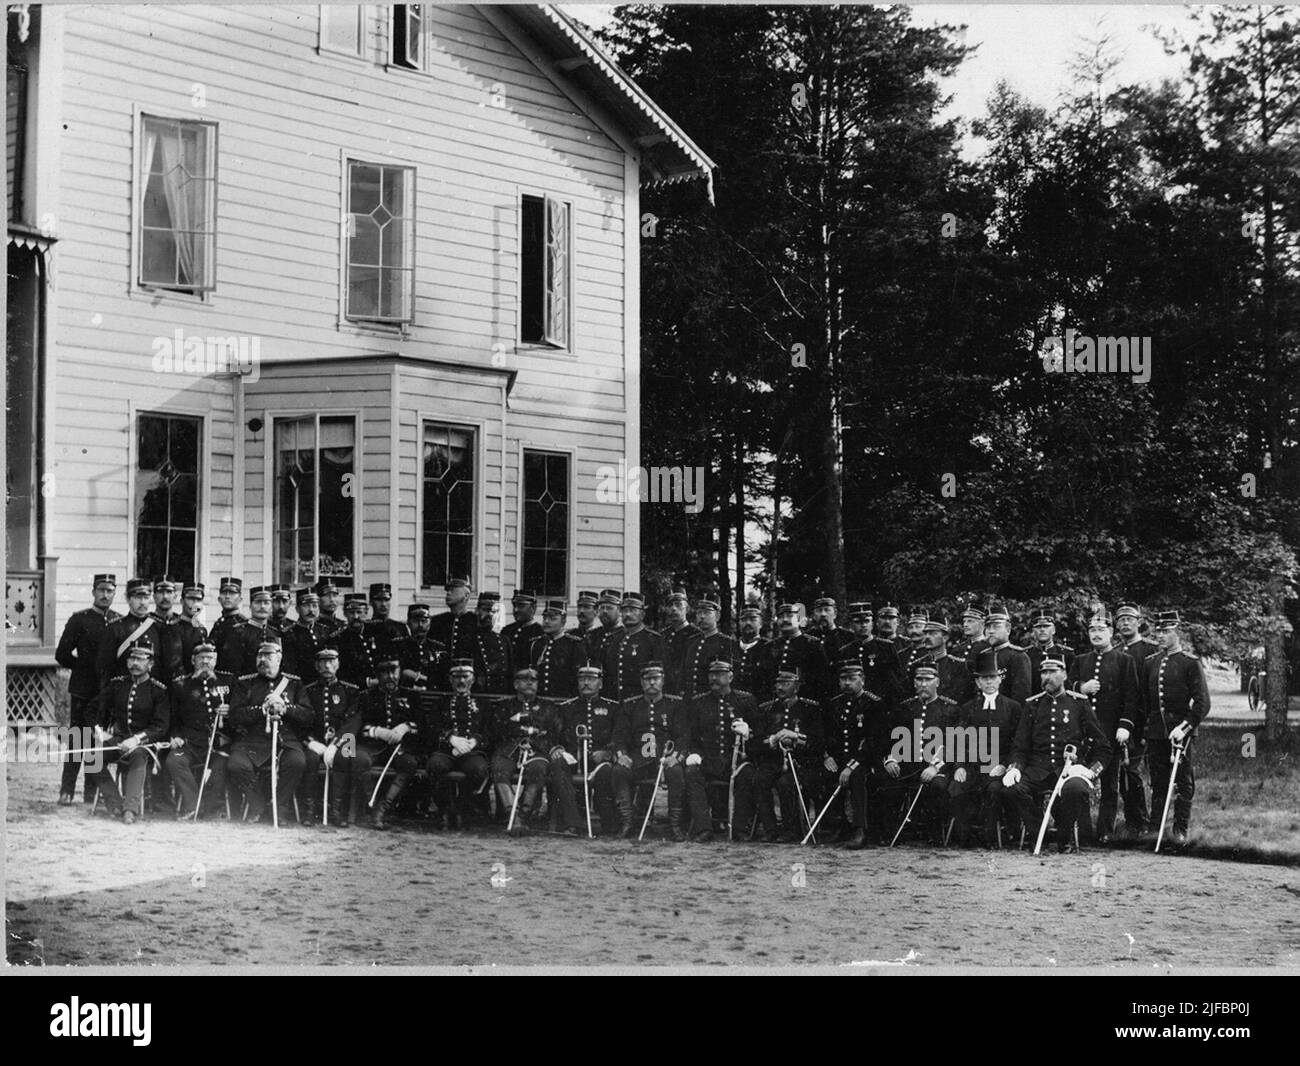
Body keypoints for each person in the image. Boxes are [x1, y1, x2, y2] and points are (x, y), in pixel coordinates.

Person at [1000, 657, 1110, 853]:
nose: (1047, 677)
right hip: (1037, 770)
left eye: (1052, 672)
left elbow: (1103, 747)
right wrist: (1015, 767)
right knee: (1011, 789)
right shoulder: (1032, 705)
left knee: (1076, 789)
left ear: (1065, 675)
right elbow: (1020, 746)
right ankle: (1037, 832)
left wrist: (1090, 771)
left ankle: (1063, 837)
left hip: (1069, 770)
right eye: (1044, 673)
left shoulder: (1079, 704)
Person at [1068, 610, 1142, 844]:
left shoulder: (1124, 660)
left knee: (1110, 785)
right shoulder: (1080, 661)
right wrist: (1082, 687)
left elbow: (1132, 698)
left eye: (1101, 630)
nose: (1096, 634)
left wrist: (1125, 726)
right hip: (1083, 734)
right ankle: (1083, 829)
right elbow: (1067, 690)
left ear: (1111, 632)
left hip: (1111, 734)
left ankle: (1105, 831)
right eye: (1092, 630)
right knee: (1079, 780)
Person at [1138, 609, 1210, 847]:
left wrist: (1185, 726)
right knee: (1158, 781)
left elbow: (1202, 703)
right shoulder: (1151, 663)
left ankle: (1180, 830)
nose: (1160, 635)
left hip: (1181, 734)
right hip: (1157, 733)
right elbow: (1147, 702)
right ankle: (1155, 828)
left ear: (1177, 633)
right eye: (1158, 631)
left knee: (1183, 782)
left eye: (1166, 631)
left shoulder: (1190, 663)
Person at [227, 641, 313, 826]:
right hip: (252, 740)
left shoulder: (294, 683)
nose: (263, 660)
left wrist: (285, 707)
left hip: (285, 739)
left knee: (297, 762)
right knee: (236, 764)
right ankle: (258, 805)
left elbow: (308, 715)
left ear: (279, 659)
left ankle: (279, 806)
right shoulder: (245, 683)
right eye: (260, 656)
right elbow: (235, 716)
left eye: (268, 656)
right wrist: (262, 709)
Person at [55, 573, 120, 805]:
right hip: (83, 689)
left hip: (106, 692)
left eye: (110, 590)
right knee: (77, 739)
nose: (105, 594)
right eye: (101, 590)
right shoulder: (79, 620)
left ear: (115, 593)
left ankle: (92, 792)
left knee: (97, 740)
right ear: (93, 591)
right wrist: (83, 668)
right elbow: (61, 654)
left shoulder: (117, 621)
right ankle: (67, 790)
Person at [611, 662, 693, 841]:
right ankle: (627, 822)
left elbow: (683, 736)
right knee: (619, 770)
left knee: (676, 772)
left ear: (663, 681)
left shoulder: (675, 705)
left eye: (656, 679)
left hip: (664, 759)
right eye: (647, 680)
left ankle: (675, 825)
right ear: (641, 683)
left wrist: (676, 757)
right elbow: (619, 736)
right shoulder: (630, 706)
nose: (652, 683)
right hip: (638, 759)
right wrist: (621, 755)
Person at [90, 645, 170, 824]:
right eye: (132, 659)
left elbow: (160, 726)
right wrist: (100, 731)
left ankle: (130, 810)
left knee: (138, 757)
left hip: (143, 743)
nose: (135, 664)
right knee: (91, 757)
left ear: (150, 664)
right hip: (118, 740)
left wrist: (136, 739)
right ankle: (115, 803)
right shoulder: (117, 685)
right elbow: (94, 709)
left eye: (140, 660)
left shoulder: (158, 691)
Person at [886, 661, 964, 843]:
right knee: (886, 781)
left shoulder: (951, 709)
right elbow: (894, 739)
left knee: (937, 786)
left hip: (939, 766)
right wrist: (891, 760)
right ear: (913, 683)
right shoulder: (905, 707)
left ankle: (934, 834)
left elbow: (952, 743)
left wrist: (935, 767)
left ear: (937, 682)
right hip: (909, 765)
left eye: (928, 679)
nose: (922, 684)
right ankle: (890, 833)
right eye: (919, 679)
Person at [683, 660, 759, 842]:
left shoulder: (745, 700)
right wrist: (695, 754)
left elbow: (759, 733)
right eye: (711, 674)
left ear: (731, 677)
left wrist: (748, 732)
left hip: (737, 761)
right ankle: (703, 829)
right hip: (709, 760)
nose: (714, 678)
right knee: (692, 773)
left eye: (719, 674)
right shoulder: (699, 703)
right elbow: (692, 736)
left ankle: (740, 829)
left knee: (747, 774)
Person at [953, 648, 1023, 847]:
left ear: (1000, 679)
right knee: (957, 787)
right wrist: (959, 765)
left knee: (993, 789)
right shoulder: (968, 708)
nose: (989, 682)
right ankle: (963, 838)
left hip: (997, 768)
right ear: (977, 682)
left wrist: (1005, 765)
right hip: (973, 767)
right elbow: (958, 740)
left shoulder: (1012, 707)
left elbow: (1017, 744)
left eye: (992, 677)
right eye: (984, 678)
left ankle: (990, 838)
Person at [825, 661, 893, 848]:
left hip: (866, 759)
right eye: (843, 679)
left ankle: (859, 829)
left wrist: (852, 764)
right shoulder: (834, 703)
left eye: (852, 679)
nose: (847, 683)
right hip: (840, 758)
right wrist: (828, 757)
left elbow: (876, 741)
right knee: (824, 775)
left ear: (862, 680)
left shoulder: (874, 703)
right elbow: (829, 735)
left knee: (857, 777)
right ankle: (840, 825)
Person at [355, 658, 427, 830]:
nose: (389, 677)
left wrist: (406, 727)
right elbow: (355, 727)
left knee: (409, 763)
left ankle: (382, 808)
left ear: (399, 673)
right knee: (357, 759)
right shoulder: (365, 697)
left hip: (401, 749)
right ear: (378, 676)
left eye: (393, 672)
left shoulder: (411, 696)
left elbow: (424, 727)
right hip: (372, 747)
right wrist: (377, 731)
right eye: (384, 673)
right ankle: (369, 804)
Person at [753, 669, 824, 841]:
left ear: (797, 687)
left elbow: (818, 742)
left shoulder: (810, 709)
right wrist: (772, 739)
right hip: (773, 761)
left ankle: (791, 830)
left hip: (801, 763)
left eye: (785, 684)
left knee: (786, 783)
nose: (780, 687)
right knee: (759, 779)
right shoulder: (767, 709)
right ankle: (770, 829)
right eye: (778, 684)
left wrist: (797, 738)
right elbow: (755, 742)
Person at [166, 642, 234, 820]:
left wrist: (231, 712)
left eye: (209, 658)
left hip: (220, 743)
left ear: (216, 660)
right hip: (191, 744)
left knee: (222, 765)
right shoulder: (181, 685)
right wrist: (175, 736)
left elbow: (240, 712)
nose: (205, 662)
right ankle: (192, 805)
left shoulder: (229, 682)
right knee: (174, 761)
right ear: (192, 660)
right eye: (201, 658)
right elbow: (173, 718)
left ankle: (212, 809)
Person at [552, 664, 621, 834]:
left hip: (599, 759)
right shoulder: (567, 707)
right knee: (558, 764)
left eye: (591, 679)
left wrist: (608, 752)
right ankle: (573, 823)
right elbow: (556, 735)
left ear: (600, 684)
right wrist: (559, 748)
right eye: (582, 679)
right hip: (574, 758)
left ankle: (608, 824)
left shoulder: (612, 708)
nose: (586, 683)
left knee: (606, 772)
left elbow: (619, 735)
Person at [302, 648, 366, 827]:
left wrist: (336, 744)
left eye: (331, 662)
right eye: (322, 662)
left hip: (344, 740)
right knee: (310, 760)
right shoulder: (308, 690)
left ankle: (337, 810)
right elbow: (302, 720)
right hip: (316, 741)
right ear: (316, 666)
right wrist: (311, 742)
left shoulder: (351, 691)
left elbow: (354, 722)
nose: (327, 666)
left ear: (338, 664)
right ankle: (309, 810)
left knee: (345, 757)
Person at [425, 660, 492, 828]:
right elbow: (431, 727)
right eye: (457, 677)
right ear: (450, 679)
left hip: (471, 752)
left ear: (473, 679)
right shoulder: (441, 703)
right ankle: (445, 809)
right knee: (435, 765)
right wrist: (450, 739)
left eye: (465, 677)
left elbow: (491, 730)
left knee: (479, 769)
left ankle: (462, 807)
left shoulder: (483, 704)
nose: (461, 681)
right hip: (446, 751)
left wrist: (475, 741)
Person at [491, 666, 559, 834]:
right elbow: (497, 730)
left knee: (538, 769)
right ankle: (512, 815)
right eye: (524, 679)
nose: (529, 683)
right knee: (499, 769)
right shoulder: (505, 706)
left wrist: (534, 743)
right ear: (515, 684)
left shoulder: (548, 707)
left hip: (537, 750)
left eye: (533, 680)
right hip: (509, 749)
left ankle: (524, 815)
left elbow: (554, 732)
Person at [97, 578, 164, 687]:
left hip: (152, 694)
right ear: (128, 599)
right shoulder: (115, 628)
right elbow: (104, 668)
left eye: (146, 598)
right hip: (122, 693)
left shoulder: (159, 628)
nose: (142, 602)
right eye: (138, 598)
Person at [602, 592, 665, 701]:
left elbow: (660, 675)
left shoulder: (653, 640)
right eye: (625, 610)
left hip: (639, 703)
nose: (627, 614)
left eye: (632, 610)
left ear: (642, 614)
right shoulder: (612, 639)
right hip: (613, 700)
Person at [684, 597, 740, 699]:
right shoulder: (691, 642)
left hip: (712, 700)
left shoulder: (727, 642)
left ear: (717, 616)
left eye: (706, 613)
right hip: (689, 699)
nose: (702, 616)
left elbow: (732, 677)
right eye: (699, 613)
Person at [220, 586, 282, 677]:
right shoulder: (238, 632)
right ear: (250, 606)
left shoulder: (276, 633)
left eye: (266, 603)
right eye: (258, 602)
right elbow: (232, 667)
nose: (262, 606)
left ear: (271, 607)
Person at [531, 599, 585, 699]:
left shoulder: (573, 645)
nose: (546, 621)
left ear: (563, 620)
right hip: (540, 700)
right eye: (545, 618)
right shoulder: (537, 644)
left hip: (564, 699)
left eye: (552, 618)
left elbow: (577, 678)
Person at [983, 604, 1032, 705]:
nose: (991, 631)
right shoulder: (983, 656)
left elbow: (1021, 697)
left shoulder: (1018, 656)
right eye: (988, 627)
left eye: (996, 626)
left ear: (1008, 629)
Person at [280, 587, 334, 679]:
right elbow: (289, 668)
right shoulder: (289, 634)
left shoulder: (326, 631)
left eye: (314, 606)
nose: (311, 610)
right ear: (297, 609)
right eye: (306, 606)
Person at [397, 601, 449, 692]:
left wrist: (418, 677)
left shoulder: (438, 648)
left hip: (433, 696)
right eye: (415, 621)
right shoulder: (398, 646)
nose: (420, 625)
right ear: (408, 623)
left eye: (424, 621)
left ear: (430, 623)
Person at [662, 589, 702, 697]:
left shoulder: (697, 635)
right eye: (670, 605)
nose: (674, 609)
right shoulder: (663, 635)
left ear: (687, 609)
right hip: (666, 692)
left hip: (688, 693)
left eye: (678, 605)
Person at [337, 593, 381, 688]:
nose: (356, 616)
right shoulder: (340, 639)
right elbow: (341, 673)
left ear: (366, 612)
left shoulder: (377, 634)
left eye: (359, 612)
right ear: (345, 613)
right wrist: (368, 682)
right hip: (355, 690)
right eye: (351, 613)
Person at [429, 577, 477, 661]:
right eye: (447, 591)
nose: (448, 593)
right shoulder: (437, 621)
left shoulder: (475, 621)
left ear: (466, 595)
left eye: (453, 590)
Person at [209, 577, 249, 670]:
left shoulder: (244, 625)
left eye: (232, 593)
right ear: (219, 599)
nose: (227, 596)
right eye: (224, 593)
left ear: (240, 599)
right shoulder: (218, 624)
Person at [501, 589, 543, 677]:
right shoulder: (507, 631)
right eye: (514, 605)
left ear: (533, 608)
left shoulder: (541, 633)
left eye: (521, 606)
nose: (516, 609)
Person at [364, 582, 409, 662]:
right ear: (371, 602)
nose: (383, 604)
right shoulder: (365, 628)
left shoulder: (401, 628)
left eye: (386, 600)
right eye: (379, 600)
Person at [735, 605, 772, 696]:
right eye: (743, 620)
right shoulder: (730, 647)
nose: (747, 623)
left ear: (761, 624)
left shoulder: (769, 648)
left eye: (752, 619)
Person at [1025, 611, 1076, 677]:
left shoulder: (1066, 654)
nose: (1042, 629)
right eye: (1038, 627)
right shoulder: (1027, 655)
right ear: (1033, 631)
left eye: (1046, 626)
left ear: (1053, 630)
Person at [176, 582, 210, 679]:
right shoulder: (173, 627)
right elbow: (174, 664)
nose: (195, 604)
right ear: (182, 601)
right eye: (190, 599)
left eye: (198, 600)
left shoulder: (202, 630)